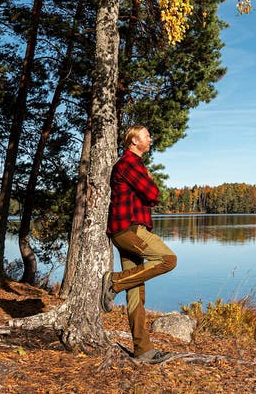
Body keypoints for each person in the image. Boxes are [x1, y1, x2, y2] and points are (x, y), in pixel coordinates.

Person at [101, 124, 177, 363]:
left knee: (136, 292)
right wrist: (149, 180)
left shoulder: (135, 165)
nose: (150, 139)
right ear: (134, 141)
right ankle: (114, 281)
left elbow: (148, 196)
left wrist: (148, 180)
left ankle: (142, 350)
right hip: (128, 230)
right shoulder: (128, 163)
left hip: (129, 230)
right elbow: (153, 194)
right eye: (146, 136)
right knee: (168, 259)